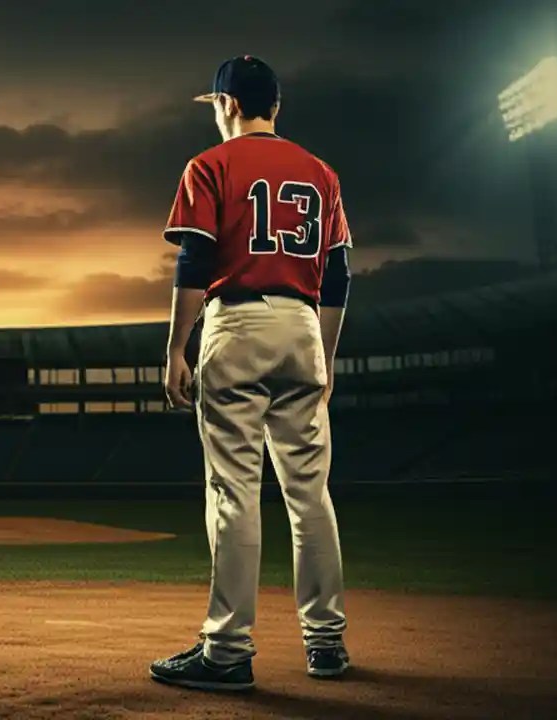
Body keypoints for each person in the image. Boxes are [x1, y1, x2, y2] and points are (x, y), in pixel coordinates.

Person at [149, 55, 352, 692]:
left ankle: (228, 650)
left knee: (235, 492)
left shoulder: (210, 165)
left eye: (214, 104)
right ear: (276, 107)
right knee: (309, 494)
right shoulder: (321, 173)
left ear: (229, 104)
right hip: (303, 327)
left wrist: (177, 347)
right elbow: (340, 274)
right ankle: (326, 643)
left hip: (237, 323)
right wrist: (323, 355)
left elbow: (195, 260)